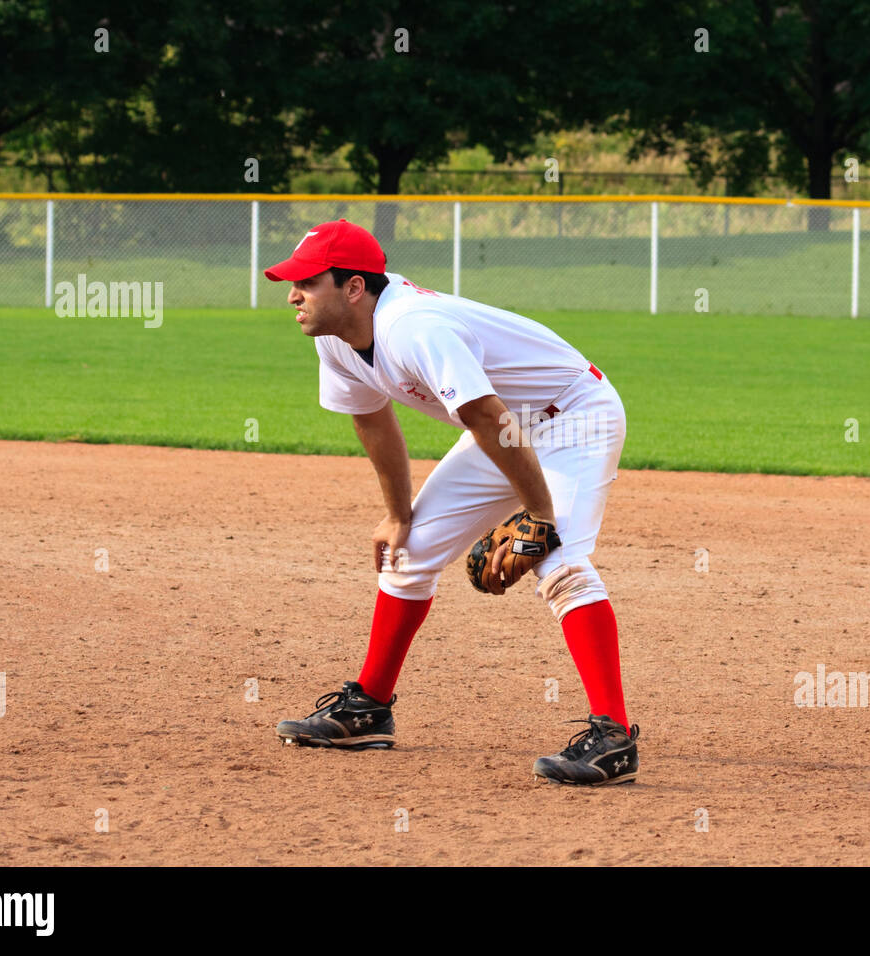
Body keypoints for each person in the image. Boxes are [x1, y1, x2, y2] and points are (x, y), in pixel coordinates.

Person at [266, 219, 639, 786]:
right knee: (411, 550)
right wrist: (398, 515)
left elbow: (487, 417)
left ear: (353, 288)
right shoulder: (336, 340)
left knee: (556, 560)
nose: (293, 295)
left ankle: (613, 740)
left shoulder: (412, 328)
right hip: (503, 426)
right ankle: (369, 708)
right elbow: (372, 419)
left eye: (307, 282)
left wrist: (539, 515)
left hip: (573, 416)